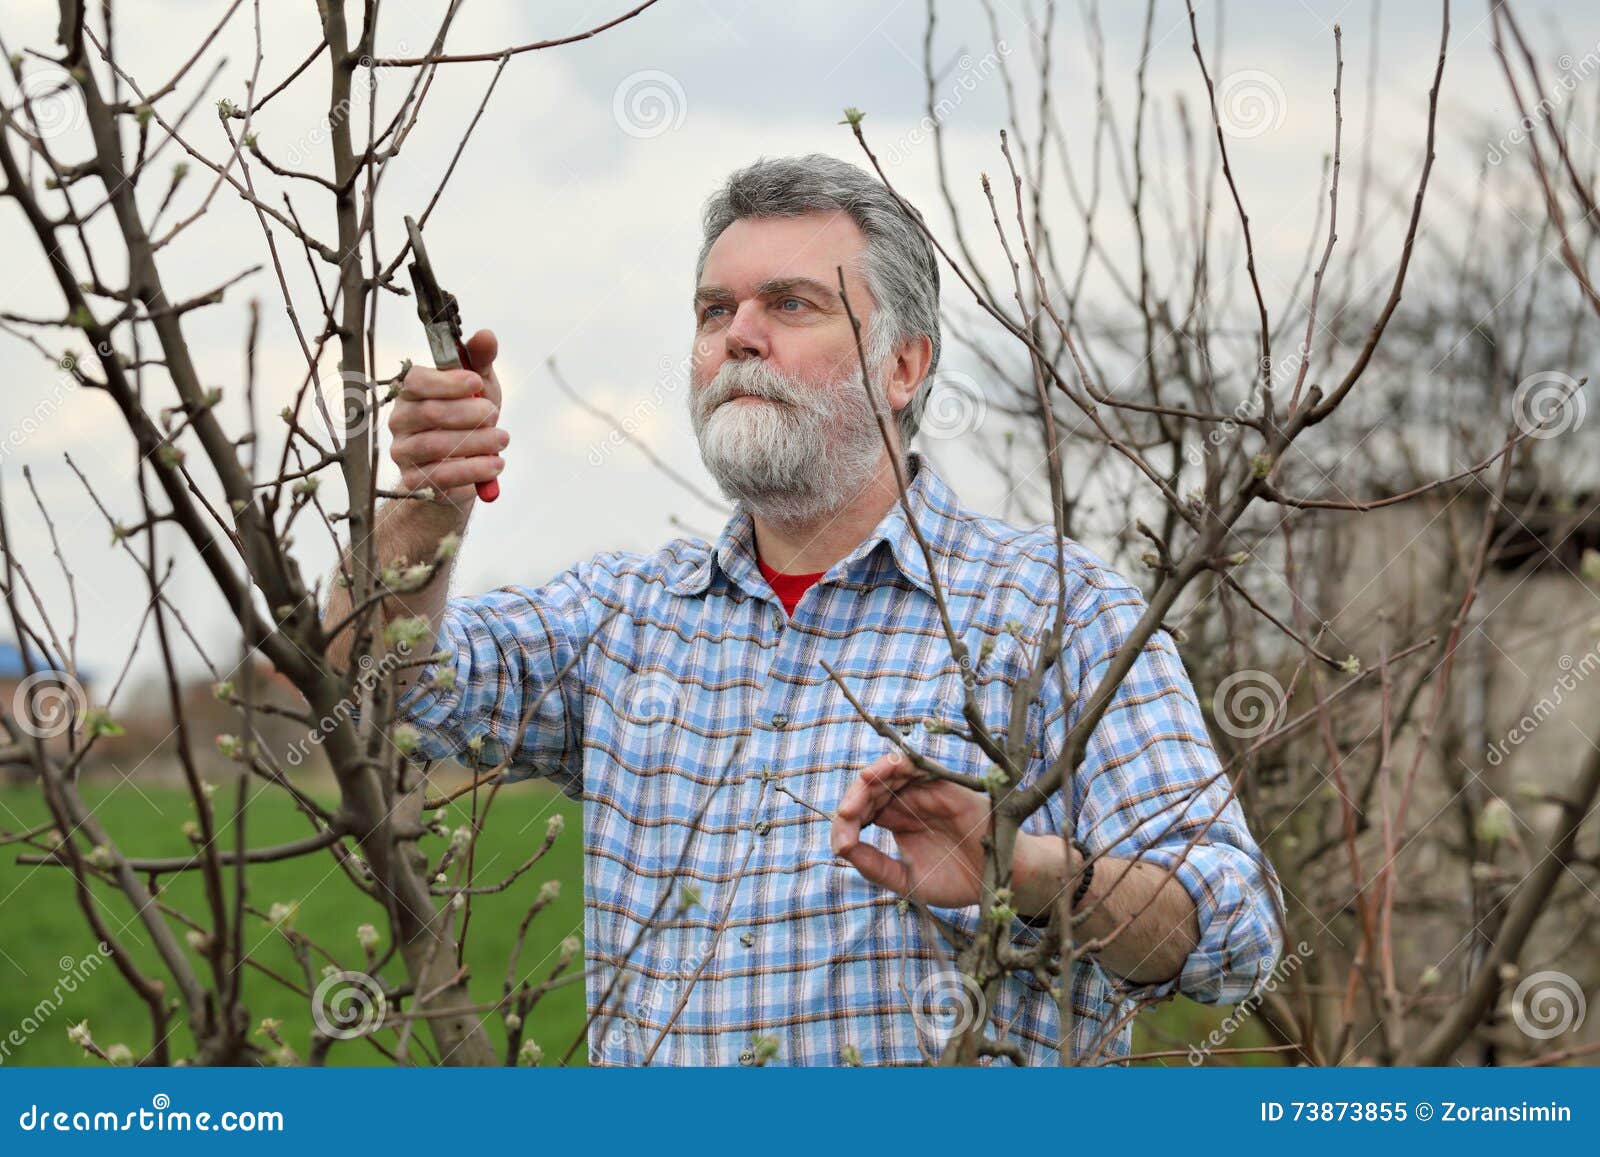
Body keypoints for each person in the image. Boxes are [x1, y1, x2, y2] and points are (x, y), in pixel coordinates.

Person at [321, 153, 1285, 1066]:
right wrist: (427, 499)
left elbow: (1232, 932)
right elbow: (374, 683)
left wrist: (1025, 871)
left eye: (791, 304)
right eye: (715, 310)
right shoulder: (620, 619)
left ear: (905, 366)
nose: (739, 333)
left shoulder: (1058, 612)